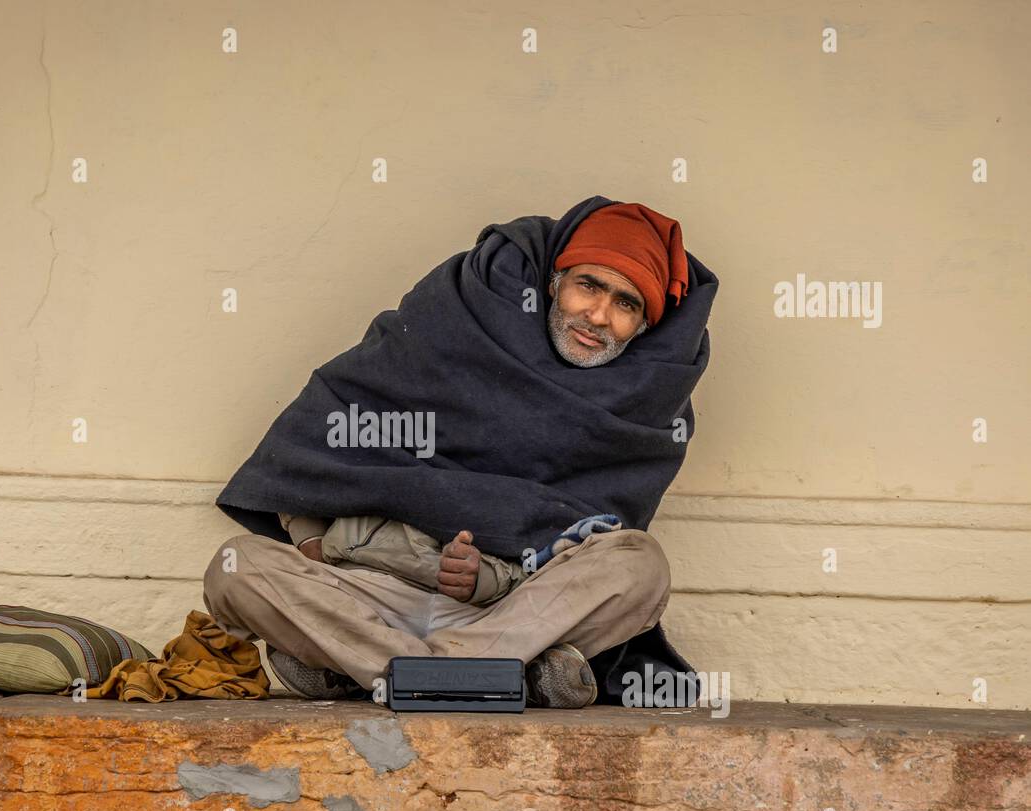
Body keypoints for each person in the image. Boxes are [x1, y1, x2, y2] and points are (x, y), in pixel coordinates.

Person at [206, 197, 716, 707]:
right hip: (368, 593)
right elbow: (322, 434)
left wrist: (487, 580)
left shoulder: (644, 406)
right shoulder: (447, 327)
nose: (598, 316)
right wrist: (312, 542)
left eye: (627, 304)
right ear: (553, 282)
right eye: (588, 285)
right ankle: (487, 675)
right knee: (237, 565)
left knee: (640, 564)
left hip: (509, 609)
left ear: (646, 325)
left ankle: (381, 669)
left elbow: (593, 542)